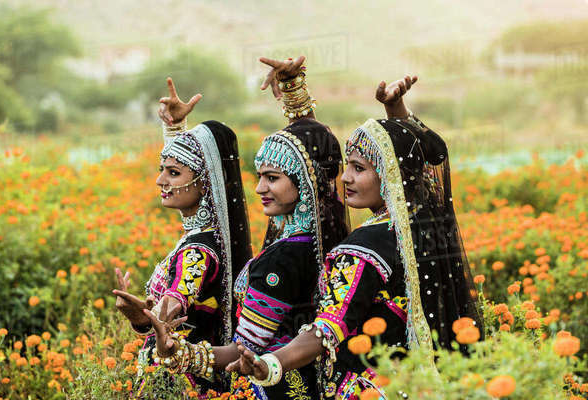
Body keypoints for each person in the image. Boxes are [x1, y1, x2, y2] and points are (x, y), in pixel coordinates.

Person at [226, 76, 483, 399]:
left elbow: (327, 328)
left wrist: (271, 365)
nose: (345, 177)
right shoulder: (421, 226)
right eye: (347, 166)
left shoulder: (362, 248)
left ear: (392, 174)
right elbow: (419, 156)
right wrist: (395, 111)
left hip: (364, 389)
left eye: (359, 168)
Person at [142, 57, 350, 399]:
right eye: (260, 177)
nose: (259, 189)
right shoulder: (322, 237)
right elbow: (318, 149)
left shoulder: (281, 259)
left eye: (273, 178)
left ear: (304, 180)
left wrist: (178, 353)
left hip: (277, 387)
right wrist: (294, 90)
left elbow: (244, 353)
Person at [112, 78, 252, 398]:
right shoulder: (204, 239)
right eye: (163, 169)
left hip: (183, 384)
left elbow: (176, 301)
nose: (160, 180)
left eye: (173, 173)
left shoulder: (199, 253)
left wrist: (148, 316)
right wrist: (175, 128)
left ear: (205, 184)